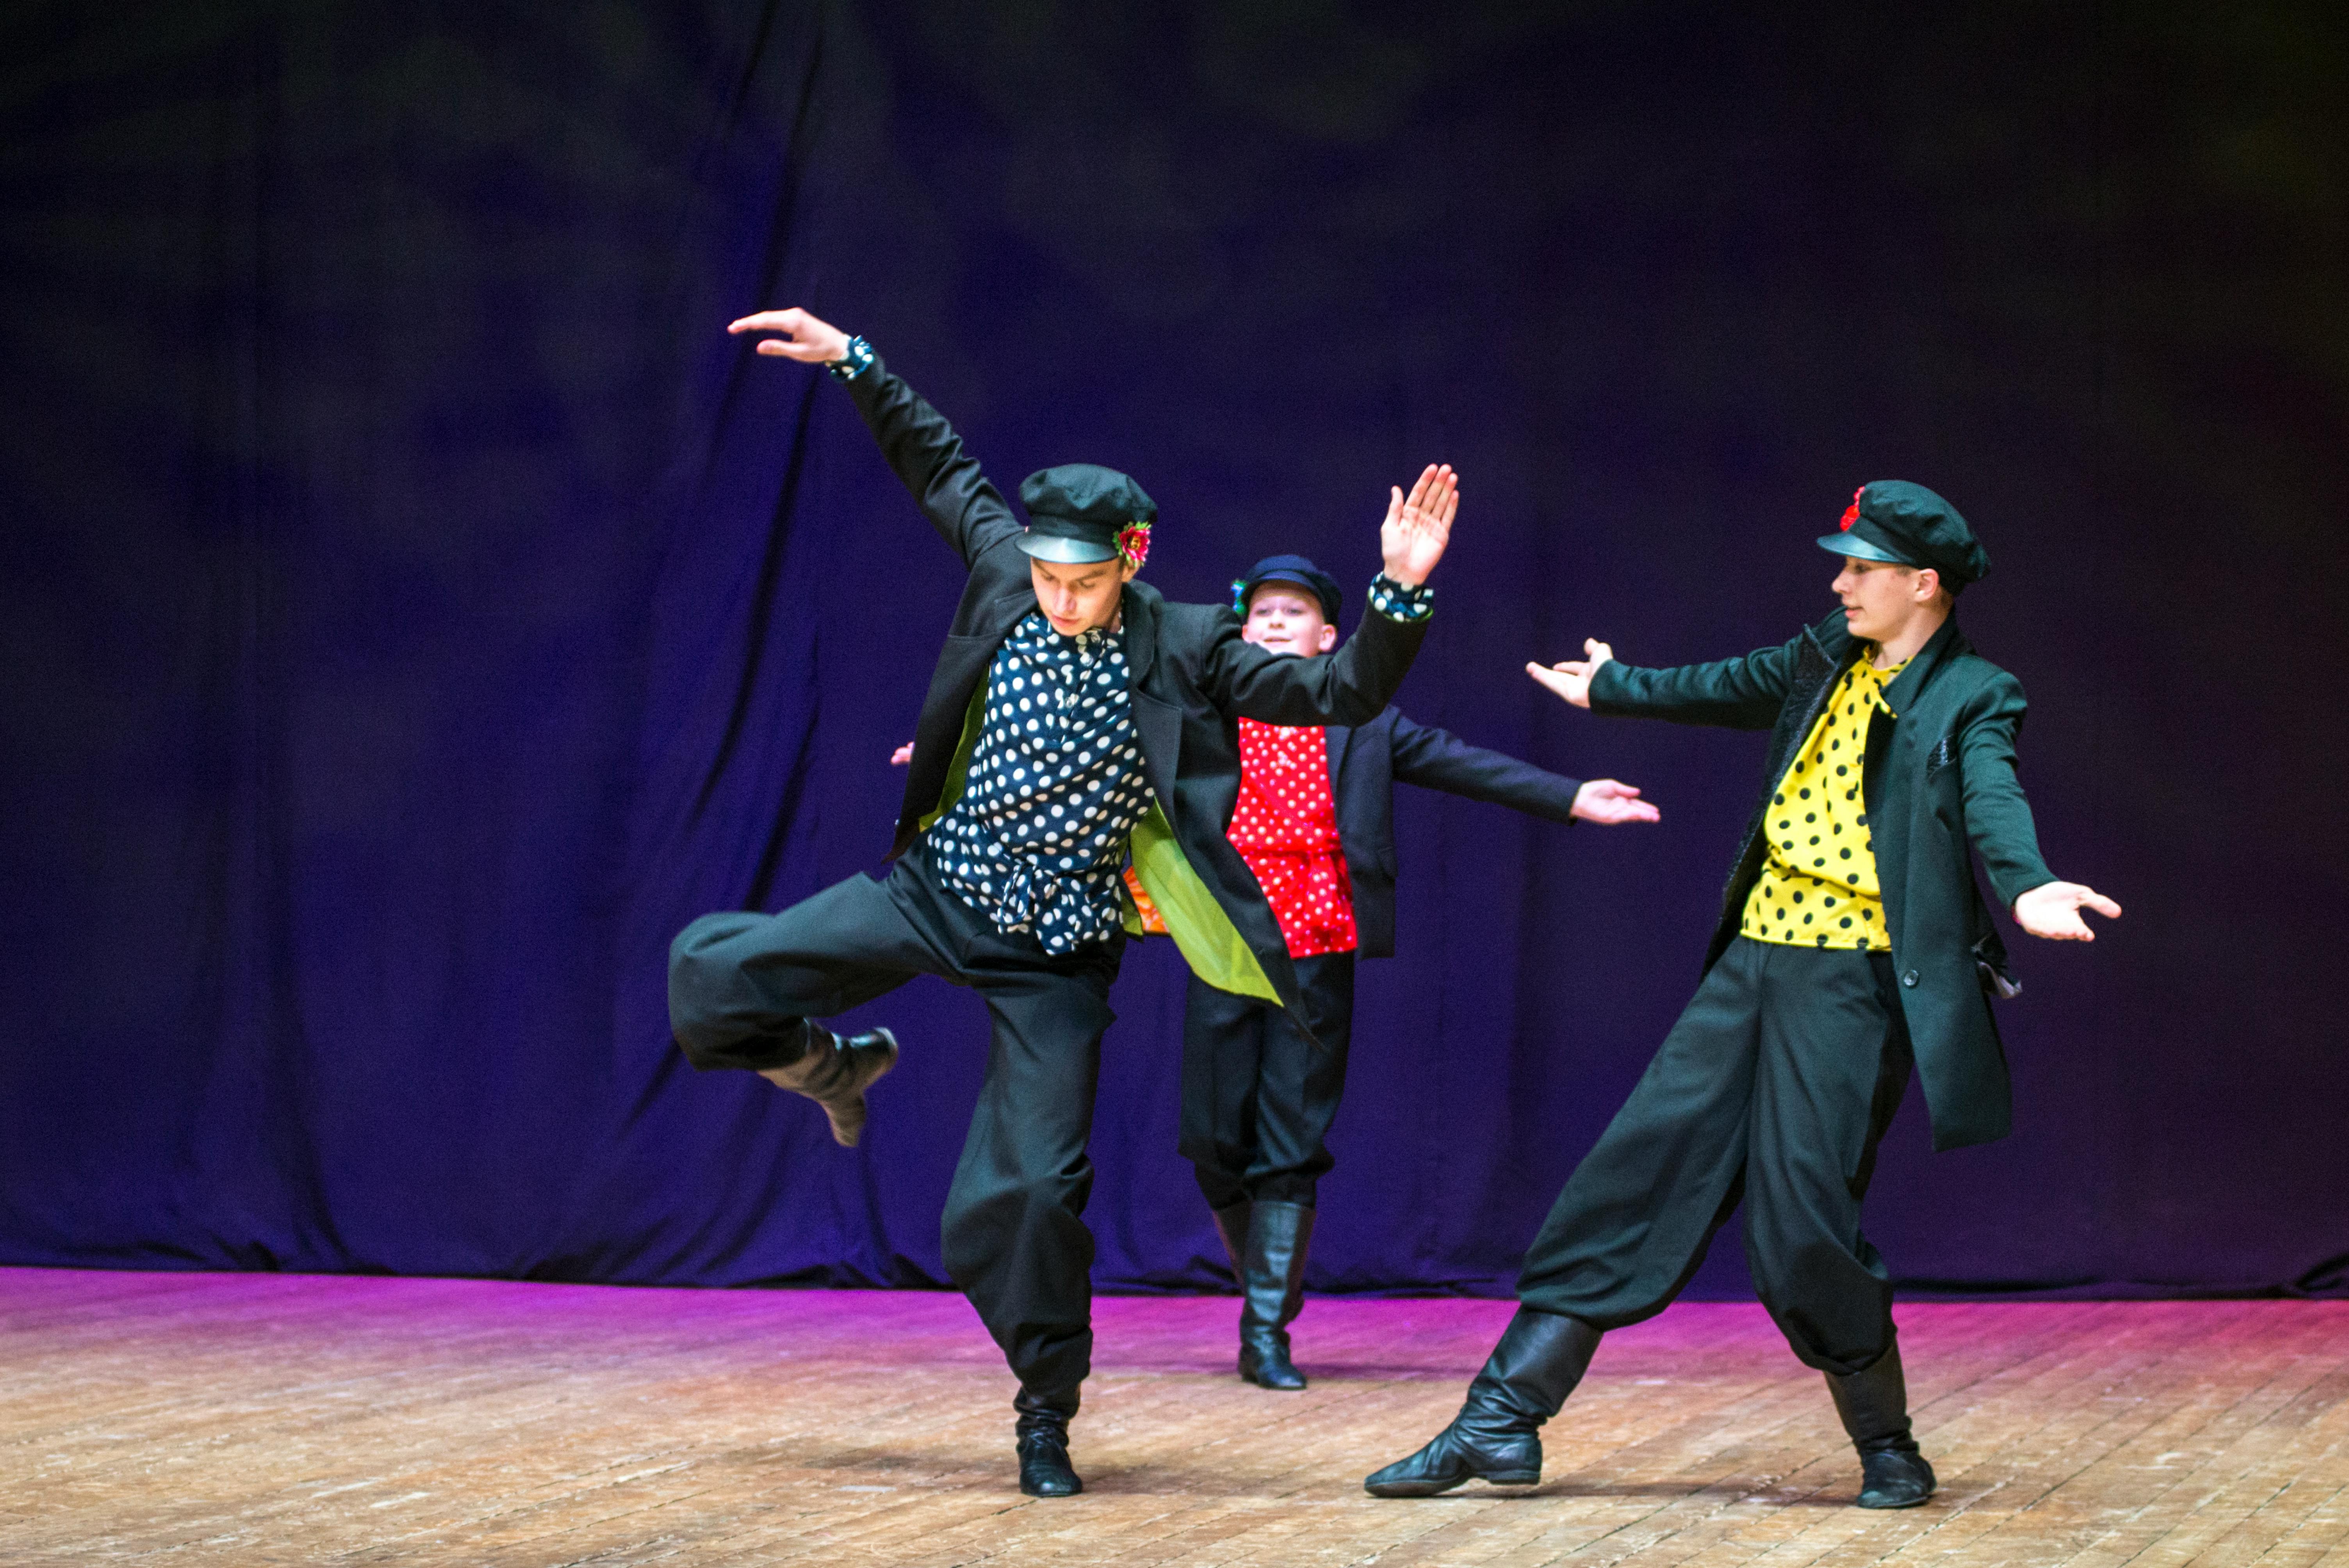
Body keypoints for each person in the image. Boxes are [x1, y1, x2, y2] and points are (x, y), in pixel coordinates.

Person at [667, 306, 1460, 1499]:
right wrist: (859, 364)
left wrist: (1400, 594)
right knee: (709, 975)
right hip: (940, 894)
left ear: (1131, 559)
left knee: (1031, 1192)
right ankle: (831, 1068)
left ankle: (1045, 1409)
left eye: (1084, 582)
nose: (1060, 599)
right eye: (1046, 577)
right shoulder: (1005, 574)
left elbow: (1339, 690)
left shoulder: (1191, 644)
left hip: (1058, 955)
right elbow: (940, 466)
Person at [1363, 481, 2120, 1509]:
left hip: (1850, 986)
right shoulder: (1825, 654)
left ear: (1923, 584)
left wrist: (2028, 883)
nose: (1840, 581)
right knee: (1628, 1176)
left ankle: (1888, 1444)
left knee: (1801, 1228)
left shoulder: (1974, 695)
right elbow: (1735, 681)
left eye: (1861, 567)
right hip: (1751, 967)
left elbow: (1991, 792)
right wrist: (1616, 686)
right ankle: (1500, 1422)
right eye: (1842, 563)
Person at [1175, 554, 1659, 1392]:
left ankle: (1264, 1330)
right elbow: (1099, 743)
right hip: (1225, 942)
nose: (1276, 622)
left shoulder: (1361, 723)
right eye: (1261, 613)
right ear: (1239, 636)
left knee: (1290, 1138)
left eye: (1294, 612)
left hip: (1318, 948)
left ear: (1329, 638)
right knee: (1215, 1137)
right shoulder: (1203, 711)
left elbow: (1460, 762)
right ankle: (1260, 1283)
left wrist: (1568, 795)